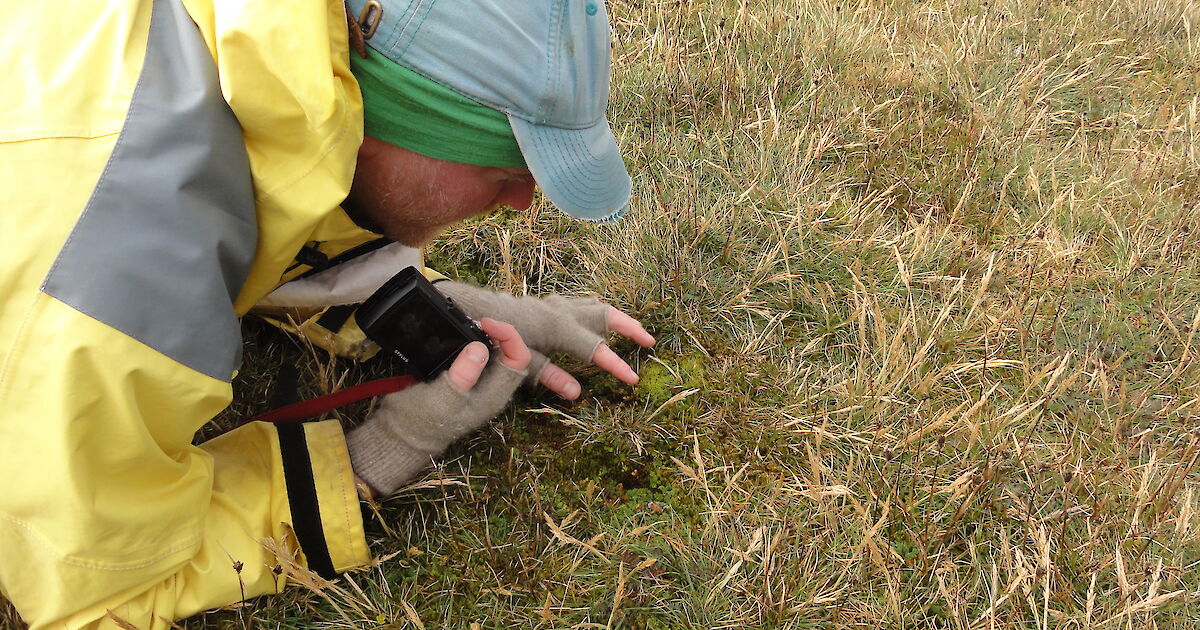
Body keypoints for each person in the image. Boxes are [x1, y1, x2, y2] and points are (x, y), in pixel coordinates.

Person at [0, 0, 653, 627]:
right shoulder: (113, 275)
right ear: (396, 115)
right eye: (501, 168)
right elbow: (104, 583)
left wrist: (423, 301)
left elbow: (269, 176)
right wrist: (379, 456)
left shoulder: (245, 40)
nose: (520, 202)